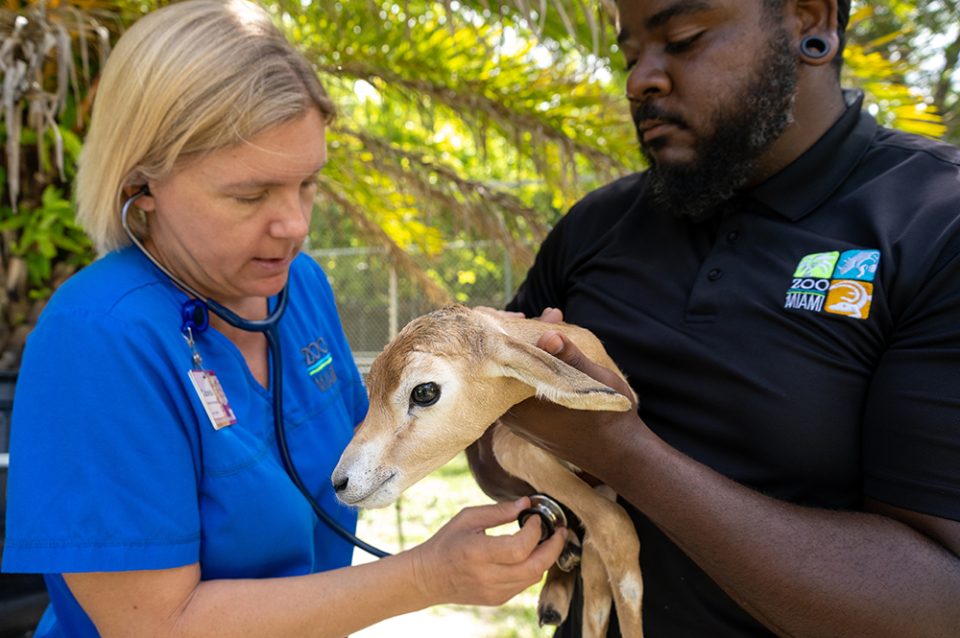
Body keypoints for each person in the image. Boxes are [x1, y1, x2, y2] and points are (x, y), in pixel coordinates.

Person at [0, 1, 565, 636]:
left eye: (307, 184)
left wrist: (497, 385)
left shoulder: (301, 289)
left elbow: (378, 435)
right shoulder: (97, 341)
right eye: (250, 195)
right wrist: (426, 576)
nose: (294, 226)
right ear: (142, 185)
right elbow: (157, 626)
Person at [468, 0, 960, 636]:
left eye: (682, 39)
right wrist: (542, 450)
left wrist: (620, 452)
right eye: (629, 54)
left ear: (810, 21)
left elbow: (938, 601)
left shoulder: (934, 223)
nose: (640, 79)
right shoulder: (596, 226)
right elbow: (487, 443)